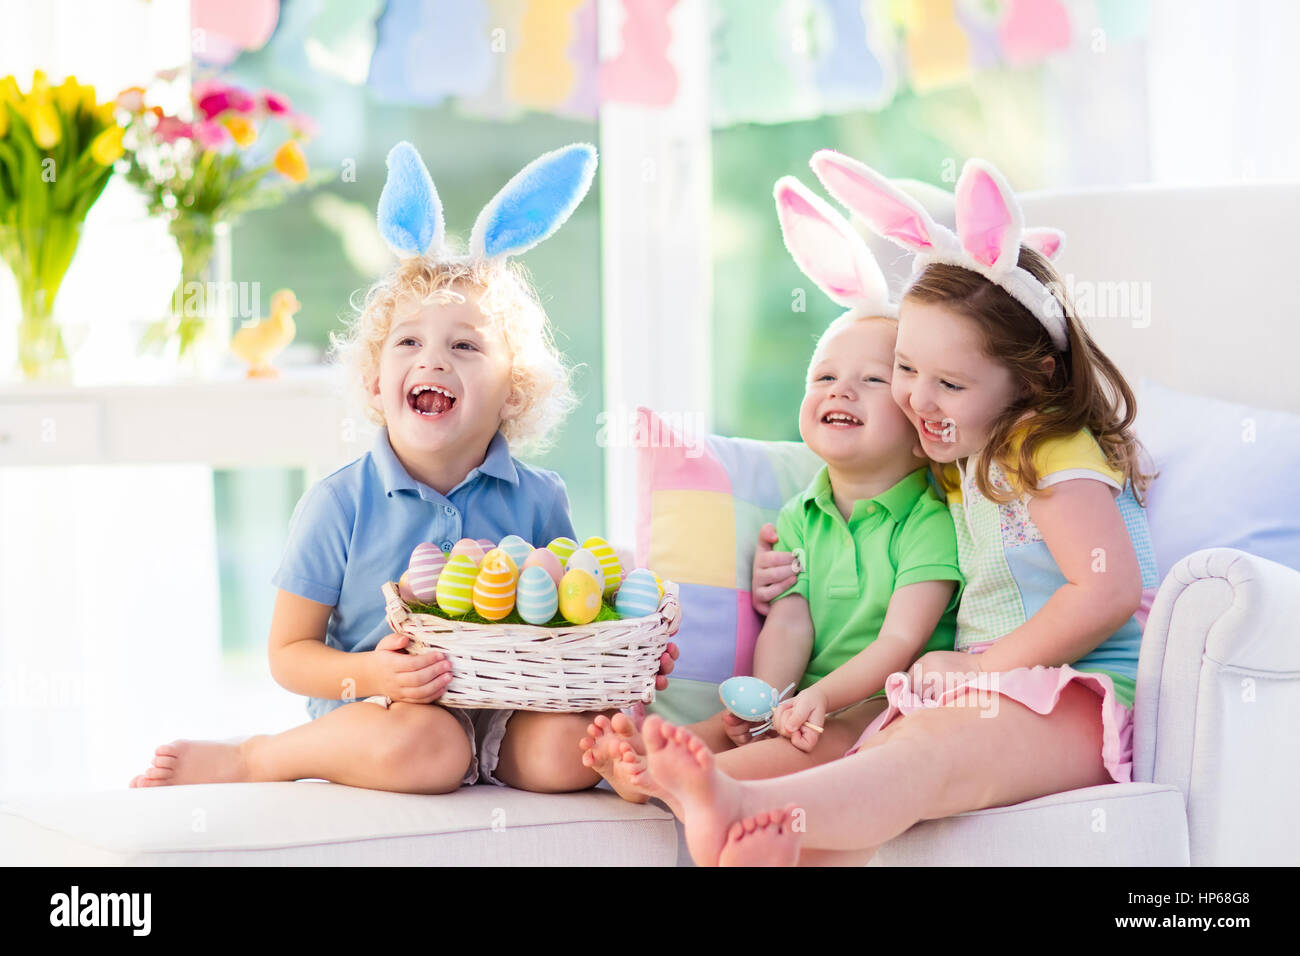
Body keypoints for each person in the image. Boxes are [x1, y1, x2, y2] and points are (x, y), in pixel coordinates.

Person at [647, 152, 1158, 866]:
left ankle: (748, 809)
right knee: (877, 765)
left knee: (919, 755)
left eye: (948, 382)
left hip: (1083, 693)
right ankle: (770, 839)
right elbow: (865, 502)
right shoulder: (961, 459)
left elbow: (1107, 589)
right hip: (984, 688)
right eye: (908, 369)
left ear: (1036, 378)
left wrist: (979, 672)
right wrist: (783, 567)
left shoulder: (1051, 448)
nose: (917, 399)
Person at [129, 142, 676, 794]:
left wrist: (612, 656)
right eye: (408, 342)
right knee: (431, 744)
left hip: (504, 713)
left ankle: (603, 758)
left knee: (568, 752)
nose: (433, 361)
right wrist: (372, 676)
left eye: (466, 346)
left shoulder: (538, 499)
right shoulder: (340, 503)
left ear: (514, 388)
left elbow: (566, 608)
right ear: (374, 378)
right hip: (379, 713)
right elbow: (287, 654)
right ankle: (256, 757)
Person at [581, 176, 962, 807]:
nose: (841, 389)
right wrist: (766, 699)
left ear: (921, 428)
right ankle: (644, 758)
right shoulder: (799, 514)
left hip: (879, 706)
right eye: (826, 375)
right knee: (730, 730)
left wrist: (815, 700)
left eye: (872, 379)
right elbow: (790, 620)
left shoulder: (929, 521)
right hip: (801, 702)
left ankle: (683, 780)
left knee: (824, 740)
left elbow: (900, 643)